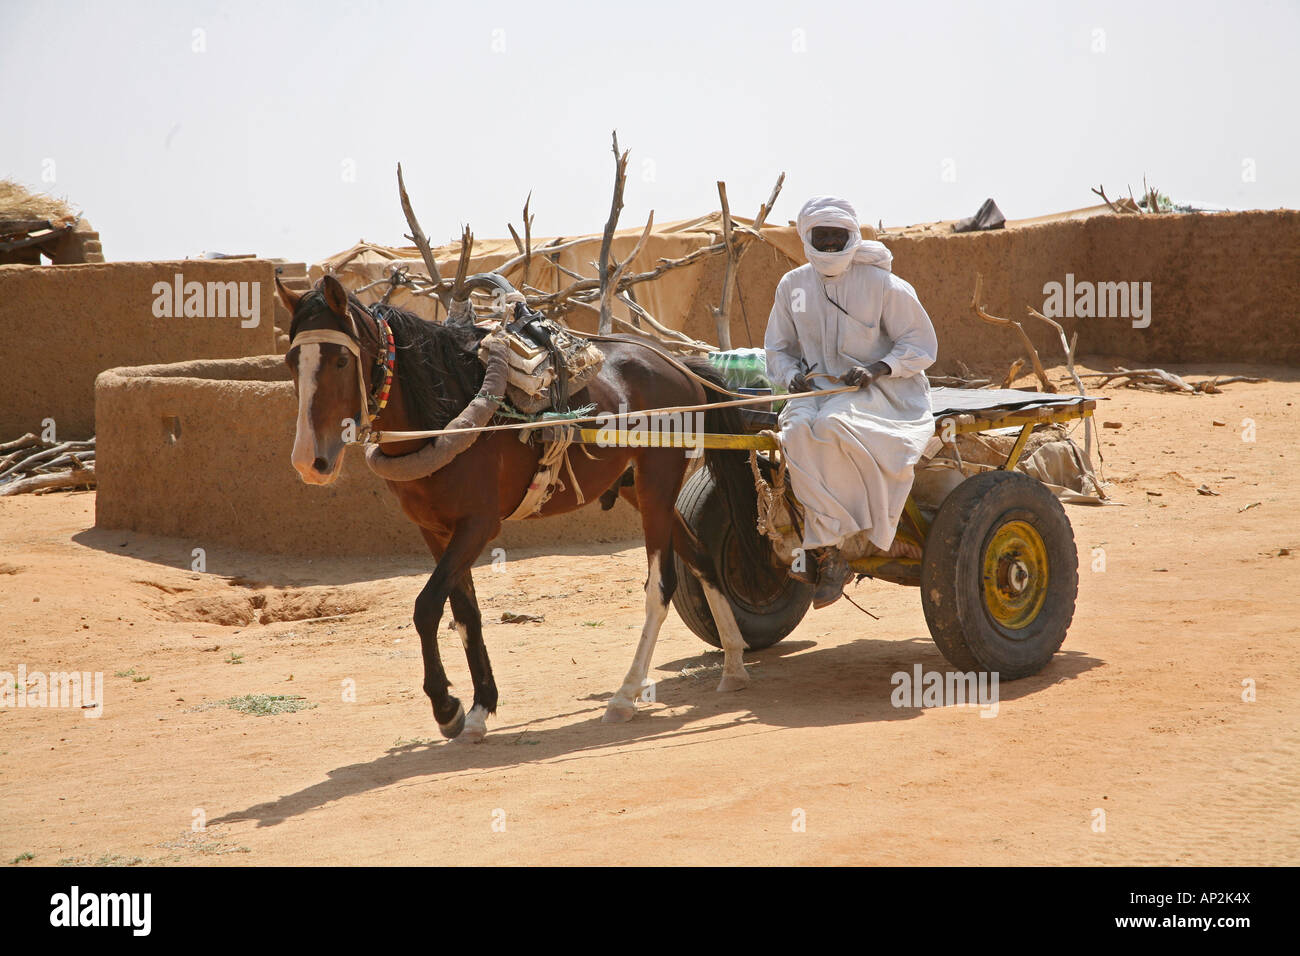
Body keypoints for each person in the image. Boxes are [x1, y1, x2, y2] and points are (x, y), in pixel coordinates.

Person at [764, 196, 939, 608]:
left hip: (885, 390)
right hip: (815, 388)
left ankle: (839, 539)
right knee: (794, 432)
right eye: (819, 237)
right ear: (806, 237)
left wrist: (877, 368)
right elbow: (778, 348)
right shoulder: (793, 286)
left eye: (836, 237)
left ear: (852, 237)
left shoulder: (882, 284)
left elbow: (920, 344)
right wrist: (789, 377)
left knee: (831, 427)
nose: (828, 246)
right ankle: (830, 551)